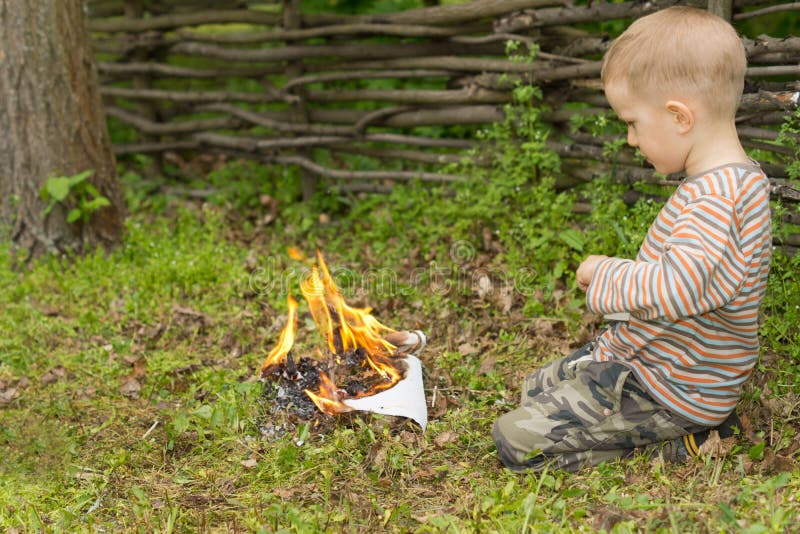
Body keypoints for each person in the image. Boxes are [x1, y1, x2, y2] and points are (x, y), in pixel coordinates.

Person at [492, 6, 772, 472]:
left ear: (679, 116)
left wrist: (606, 273)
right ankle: (642, 402)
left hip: (676, 387)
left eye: (632, 123)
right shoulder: (729, 182)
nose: (630, 140)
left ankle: (686, 442)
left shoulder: (716, 199)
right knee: (534, 387)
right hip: (657, 359)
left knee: (516, 442)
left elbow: (678, 289)